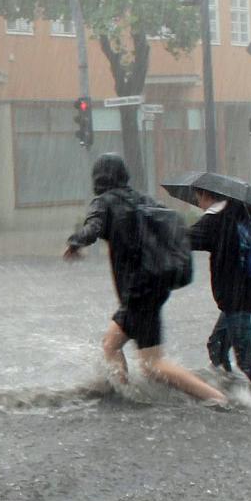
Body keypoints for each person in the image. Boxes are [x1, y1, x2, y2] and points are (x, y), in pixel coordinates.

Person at [63, 154, 226, 406]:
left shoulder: (104, 202)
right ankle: (123, 391)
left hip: (139, 291)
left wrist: (76, 242)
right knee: (111, 343)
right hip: (153, 285)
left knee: (153, 364)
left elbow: (93, 227)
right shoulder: (142, 200)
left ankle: (215, 397)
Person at [187, 191, 251, 396]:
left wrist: (158, 228)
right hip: (246, 294)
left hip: (236, 299)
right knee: (217, 346)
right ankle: (230, 388)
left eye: (198, 197)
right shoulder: (240, 213)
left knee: (247, 361)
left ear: (206, 195)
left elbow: (186, 239)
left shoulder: (215, 219)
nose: (197, 201)